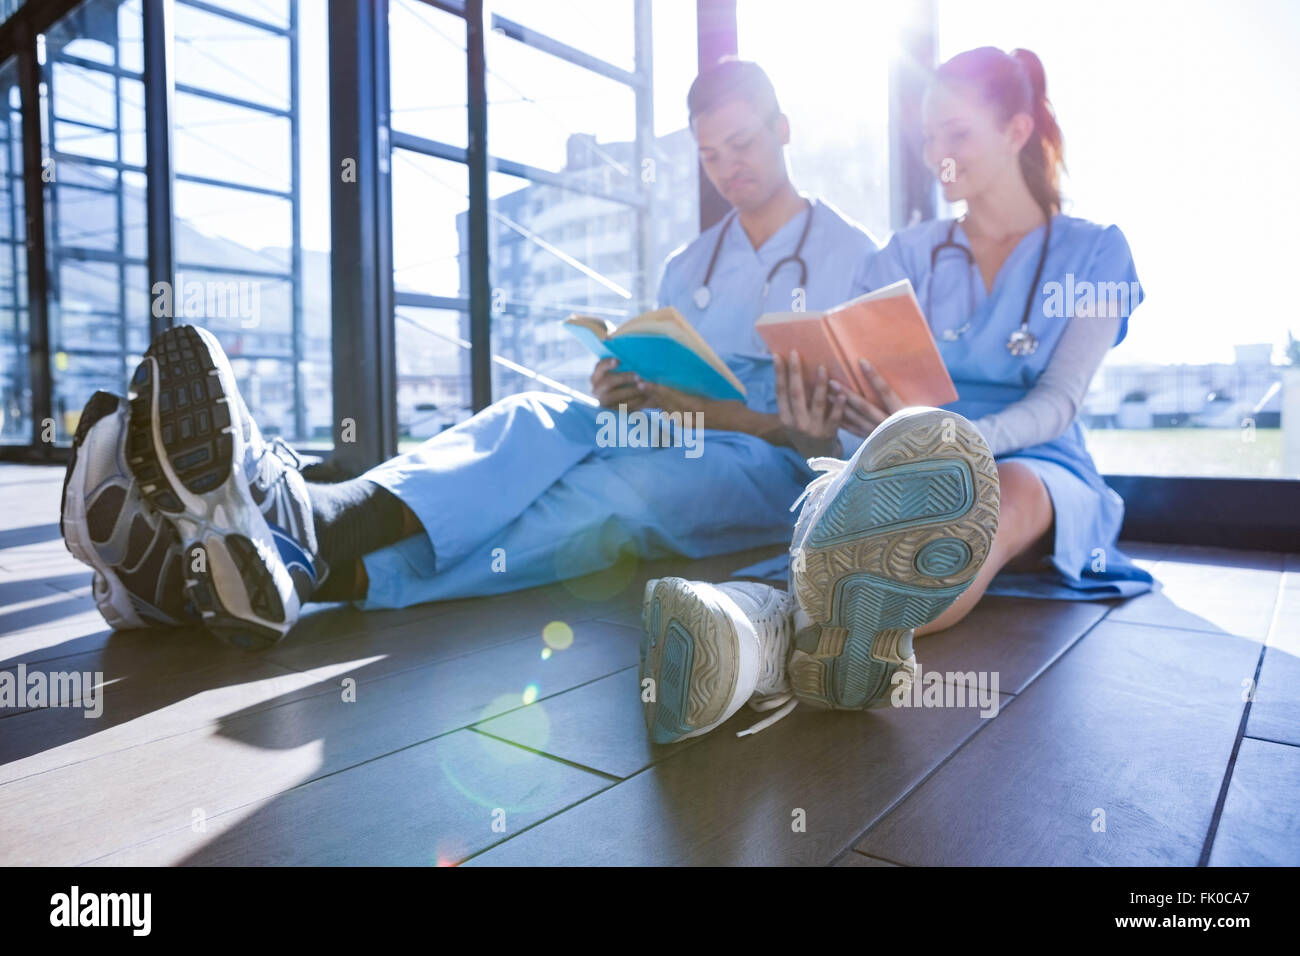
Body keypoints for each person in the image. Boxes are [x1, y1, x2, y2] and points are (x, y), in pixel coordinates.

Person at [58, 59, 880, 650]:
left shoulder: (856, 257)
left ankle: (300, 526)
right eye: (710, 154)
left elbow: (853, 446)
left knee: (601, 500)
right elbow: (665, 381)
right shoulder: (689, 262)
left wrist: (778, 422)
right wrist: (623, 382)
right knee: (537, 421)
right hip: (670, 431)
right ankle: (287, 558)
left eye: (742, 144)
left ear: (782, 128)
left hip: (772, 470)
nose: (728, 167)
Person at [639, 46, 1155, 743]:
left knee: (999, 492)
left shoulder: (1096, 253)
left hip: (1034, 458)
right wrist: (824, 430)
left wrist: (950, 441)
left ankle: (761, 637)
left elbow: (1059, 400)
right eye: (928, 138)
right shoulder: (904, 256)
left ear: (1017, 130)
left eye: (958, 133)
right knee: (870, 507)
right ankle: (746, 632)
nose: (938, 154)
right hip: (905, 456)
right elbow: (855, 412)